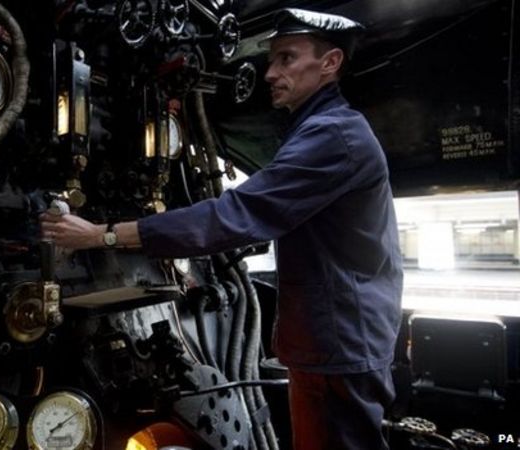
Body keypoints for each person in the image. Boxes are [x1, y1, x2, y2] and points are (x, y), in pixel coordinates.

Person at [41, 8, 403, 450]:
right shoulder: (320, 130)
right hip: (330, 341)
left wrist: (102, 235)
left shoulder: (335, 136)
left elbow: (235, 214)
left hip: (339, 345)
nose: (270, 73)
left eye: (287, 58)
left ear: (329, 63)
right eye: (271, 60)